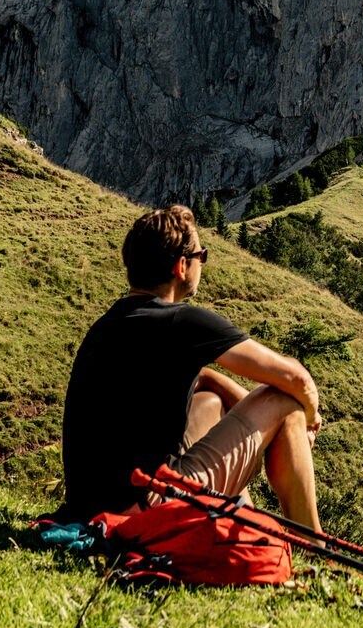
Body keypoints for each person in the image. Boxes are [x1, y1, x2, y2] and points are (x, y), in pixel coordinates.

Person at [58, 205, 322, 531]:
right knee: (286, 403)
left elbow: (203, 379)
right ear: (181, 266)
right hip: (145, 508)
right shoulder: (182, 322)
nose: (202, 263)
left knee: (210, 402)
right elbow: (296, 379)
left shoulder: (108, 323)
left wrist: (245, 411)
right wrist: (308, 419)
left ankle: (248, 528)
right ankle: (316, 546)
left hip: (87, 508)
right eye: (202, 255)